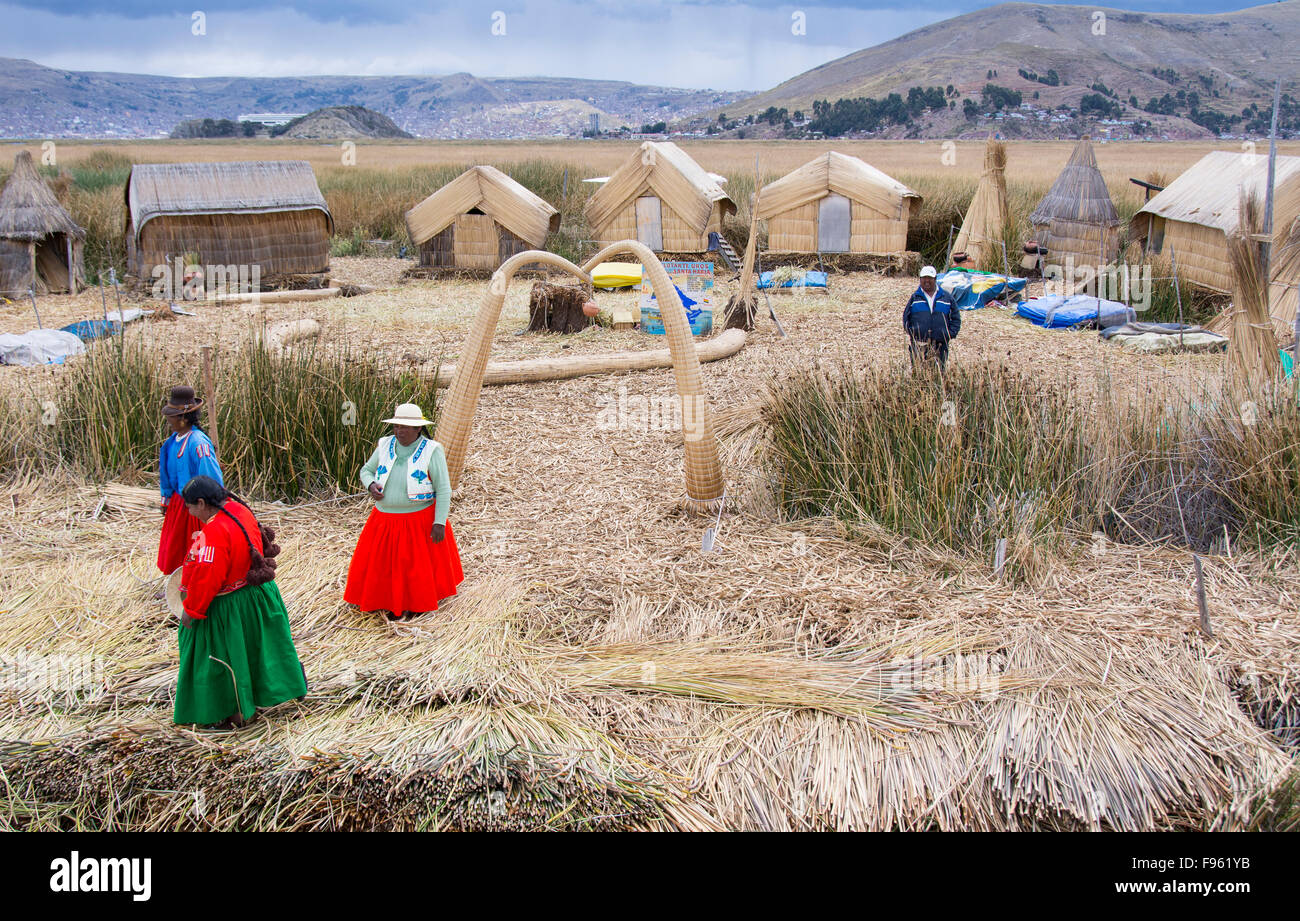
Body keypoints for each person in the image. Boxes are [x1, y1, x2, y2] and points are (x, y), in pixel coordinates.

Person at [174, 475, 307, 729]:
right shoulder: (239, 509)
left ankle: (236, 713)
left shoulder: (214, 532)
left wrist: (192, 610)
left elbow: (207, 577)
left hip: (231, 606)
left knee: (227, 657)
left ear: (201, 503)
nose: (189, 512)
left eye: (190, 506)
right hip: (259, 596)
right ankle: (268, 694)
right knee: (259, 650)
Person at [344, 403, 463, 621]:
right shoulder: (385, 445)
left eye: (406, 427)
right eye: (397, 426)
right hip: (384, 520)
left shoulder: (431, 450)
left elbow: (444, 488)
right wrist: (371, 485)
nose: (399, 431)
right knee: (384, 567)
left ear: (418, 429)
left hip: (418, 520)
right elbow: (366, 470)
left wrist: (439, 522)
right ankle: (383, 600)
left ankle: (415, 603)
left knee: (414, 568)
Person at [157, 385, 223, 575]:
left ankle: (194, 582)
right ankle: (177, 582)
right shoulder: (171, 442)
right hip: (178, 504)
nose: (168, 421)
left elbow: (210, 477)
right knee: (176, 545)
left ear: (183, 418)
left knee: (196, 545)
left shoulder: (199, 443)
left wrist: (213, 506)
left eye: (171, 417)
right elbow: (166, 475)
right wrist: (166, 499)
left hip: (197, 506)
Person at [903, 265, 960, 372]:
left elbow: (956, 318)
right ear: (920, 279)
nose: (927, 281)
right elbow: (906, 318)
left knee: (939, 373)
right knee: (919, 373)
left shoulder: (946, 298)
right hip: (919, 344)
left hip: (940, 344)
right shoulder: (915, 298)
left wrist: (949, 334)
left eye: (930, 278)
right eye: (924, 278)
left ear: (935, 279)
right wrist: (913, 333)